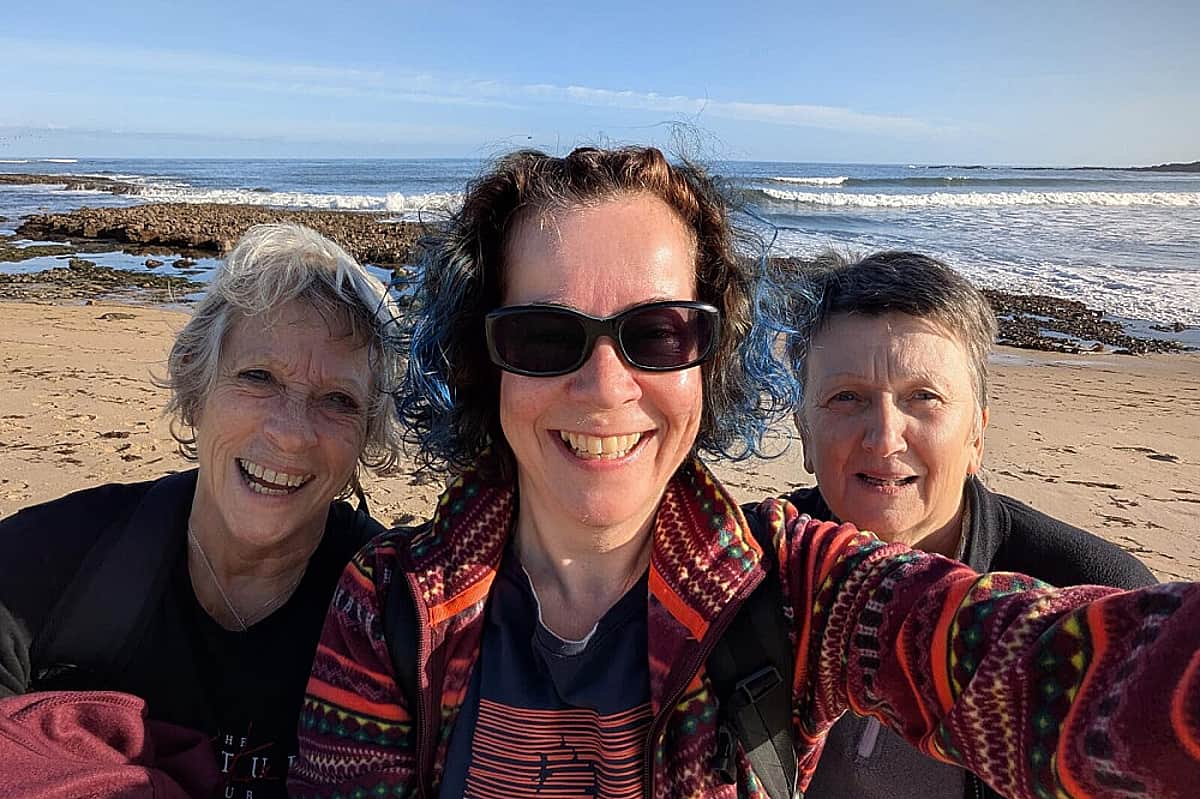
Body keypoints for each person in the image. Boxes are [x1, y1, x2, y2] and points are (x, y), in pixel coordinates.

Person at [289, 147, 1200, 799]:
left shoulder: (795, 584)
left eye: (657, 334)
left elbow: (1041, 673)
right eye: (543, 335)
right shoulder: (392, 603)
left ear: (707, 362)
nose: (606, 386)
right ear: (488, 366)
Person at [0, 223, 402, 799]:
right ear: (196, 387)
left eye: (338, 400)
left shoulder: (399, 614)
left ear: (367, 434)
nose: (290, 434)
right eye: (258, 377)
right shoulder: (53, 562)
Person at [781, 250, 1157, 799]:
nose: (884, 437)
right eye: (846, 398)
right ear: (805, 434)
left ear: (977, 434)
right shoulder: (745, 574)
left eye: (923, 398)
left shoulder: (1090, 599)